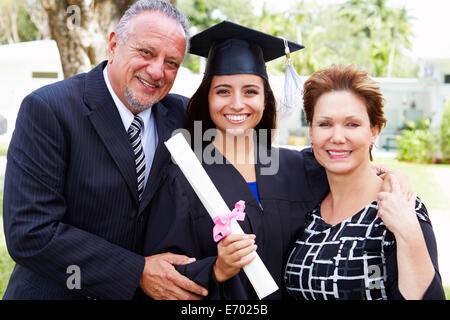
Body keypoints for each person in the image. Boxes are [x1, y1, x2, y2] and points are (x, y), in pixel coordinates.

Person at [141, 22, 412, 300]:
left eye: (250, 91)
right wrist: (217, 269)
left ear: (265, 99)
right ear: (207, 98)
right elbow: (163, 280)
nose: (236, 103)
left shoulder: (302, 168)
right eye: (222, 91)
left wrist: (391, 176)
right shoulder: (182, 179)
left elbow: (354, 173)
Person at [2, 0, 207, 300]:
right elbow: (30, 232)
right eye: (146, 52)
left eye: (171, 62)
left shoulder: (182, 116)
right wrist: (137, 272)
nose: (157, 71)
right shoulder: (50, 109)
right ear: (113, 45)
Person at [284, 64, 446, 300]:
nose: (337, 137)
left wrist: (407, 229)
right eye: (324, 124)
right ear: (311, 130)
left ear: (374, 131)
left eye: (352, 124)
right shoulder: (306, 207)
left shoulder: (398, 207)